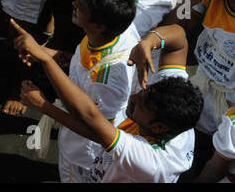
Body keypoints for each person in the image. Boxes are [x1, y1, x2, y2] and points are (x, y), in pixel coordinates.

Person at [14, 20, 202, 183]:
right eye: (143, 92)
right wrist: (148, 42)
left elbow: (90, 117)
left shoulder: (149, 160)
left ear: (159, 128)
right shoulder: (174, 105)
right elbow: (178, 40)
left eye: (141, 104)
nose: (133, 97)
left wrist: (46, 65)